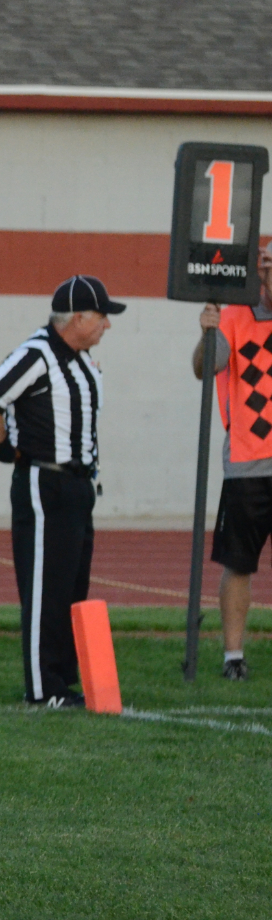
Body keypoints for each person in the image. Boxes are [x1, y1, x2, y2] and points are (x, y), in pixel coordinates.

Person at [0, 275, 120, 708]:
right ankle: (42, 688)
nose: (107, 325)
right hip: (44, 482)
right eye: (102, 316)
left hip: (78, 483)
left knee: (71, 584)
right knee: (45, 587)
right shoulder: (36, 354)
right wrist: (7, 451)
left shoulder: (81, 360)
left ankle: (63, 678)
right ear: (78, 318)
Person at [192, 243, 272, 680]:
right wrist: (207, 333)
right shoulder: (235, 316)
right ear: (261, 271)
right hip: (248, 463)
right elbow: (204, 368)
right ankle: (233, 657)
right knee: (238, 563)